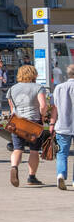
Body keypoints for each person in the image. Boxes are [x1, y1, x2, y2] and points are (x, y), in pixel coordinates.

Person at [7, 64, 50, 188]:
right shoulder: (38, 87)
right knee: (34, 150)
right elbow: (43, 105)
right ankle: (32, 177)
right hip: (33, 123)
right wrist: (43, 116)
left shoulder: (12, 89)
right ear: (33, 74)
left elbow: (12, 108)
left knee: (17, 149)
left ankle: (14, 167)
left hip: (17, 122)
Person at [52, 63, 74, 191]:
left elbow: (55, 108)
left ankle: (61, 174)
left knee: (62, 153)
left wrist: (51, 123)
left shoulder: (59, 88)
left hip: (63, 125)